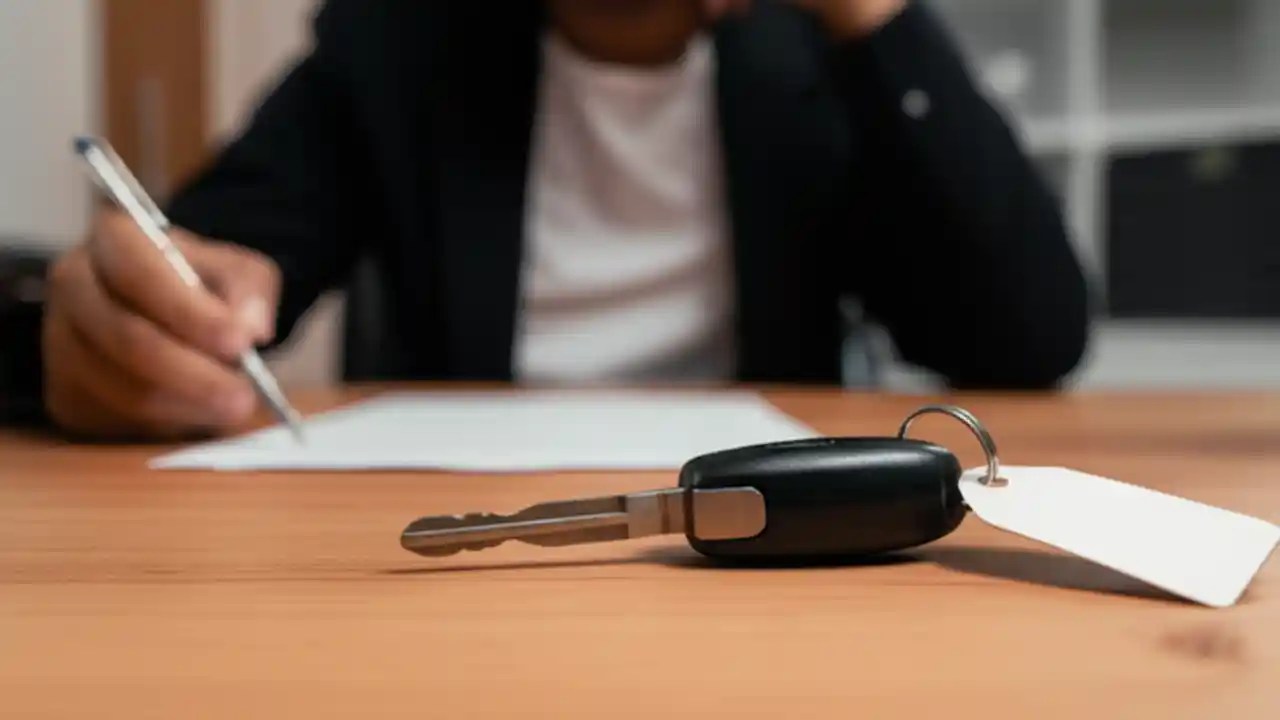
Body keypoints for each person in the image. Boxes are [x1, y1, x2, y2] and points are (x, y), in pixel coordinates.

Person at [14, 0, 1090, 439]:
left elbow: (1025, 339)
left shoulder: (816, 59)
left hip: (757, 540)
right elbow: (208, 260)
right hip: (456, 546)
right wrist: (124, 323)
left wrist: (870, 17)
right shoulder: (399, 42)